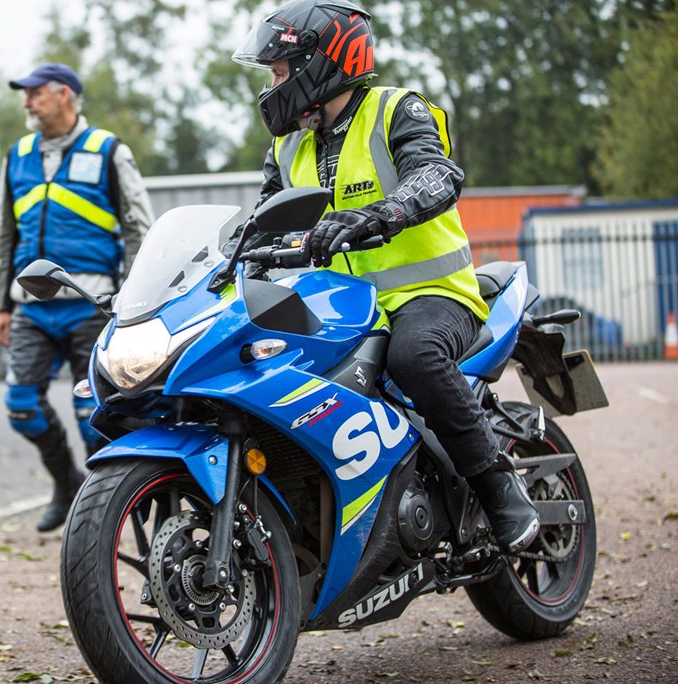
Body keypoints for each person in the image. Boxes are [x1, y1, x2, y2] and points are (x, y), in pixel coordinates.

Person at [231, 1, 539, 553]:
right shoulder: (288, 144)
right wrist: (233, 257)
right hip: (341, 308)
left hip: (431, 295)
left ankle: (499, 487)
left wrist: (381, 213)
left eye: (280, 72)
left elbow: (437, 173)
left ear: (318, 66)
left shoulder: (397, 110)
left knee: (414, 357)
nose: (272, 87)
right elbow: (261, 221)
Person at [0, 63, 154, 532]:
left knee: (93, 418)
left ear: (64, 94)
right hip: (30, 308)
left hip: (91, 303)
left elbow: (138, 229)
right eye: (24, 95)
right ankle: (66, 484)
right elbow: (6, 237)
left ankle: (101, 513)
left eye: (35, 93)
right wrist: (0, 307)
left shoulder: (108, 151)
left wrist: (133, 300)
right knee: (21, 406)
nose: (26, 102)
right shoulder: (16, 155)